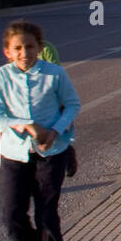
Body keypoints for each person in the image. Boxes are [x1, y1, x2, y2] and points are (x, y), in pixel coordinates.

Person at [0, 20, 81, 241]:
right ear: (7, 51)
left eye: (30, 46)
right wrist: (24, 124)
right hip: (15, 153)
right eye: (17, 48)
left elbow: (72, 104)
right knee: (12, 212)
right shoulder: (1, 77)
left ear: (40, 47)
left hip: (51, 152)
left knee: (46, 212)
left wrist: (56, 130)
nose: (24, 52)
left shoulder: (54, 74)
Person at [37, 40, 79, 178]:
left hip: (49, 96)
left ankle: (67, 153)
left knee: (52, 134)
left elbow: (55, 72)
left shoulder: (46, 48)